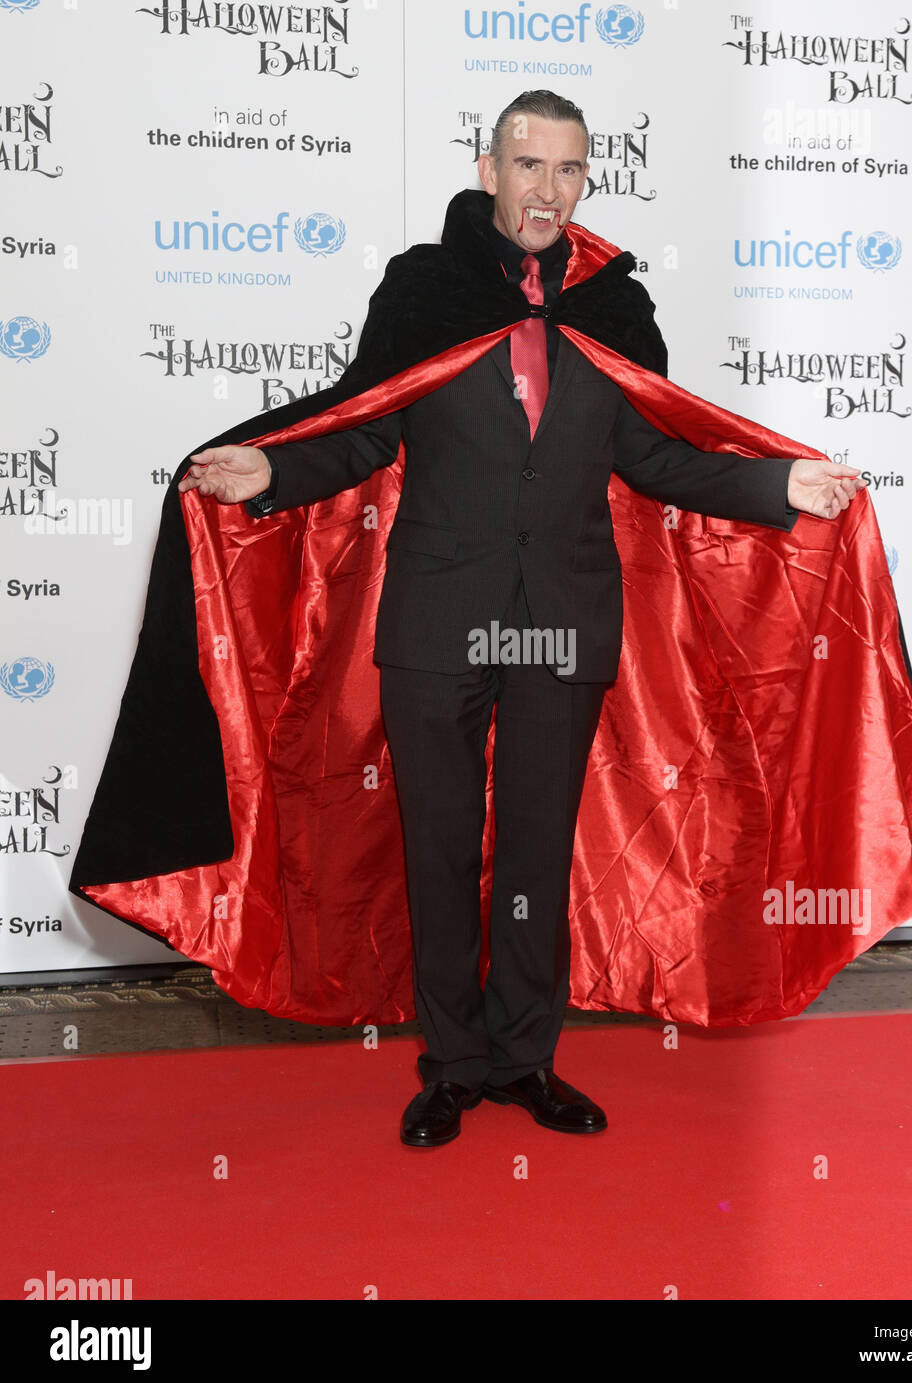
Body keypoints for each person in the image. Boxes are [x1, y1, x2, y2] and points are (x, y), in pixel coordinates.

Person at [175, 91, 866, 1148]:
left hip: (564, 620)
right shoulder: (425, 288)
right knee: (440, 849)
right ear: (489, 168)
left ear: (586, 180)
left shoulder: (614, 309)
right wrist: (271, 467)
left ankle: (526, 1060)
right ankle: (451, 1065)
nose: (547, 189)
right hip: (438, 617)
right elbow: (362, 428)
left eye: (568, 170)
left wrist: (780, 489)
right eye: (528, 165)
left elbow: (656, 456)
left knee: (539, 852)